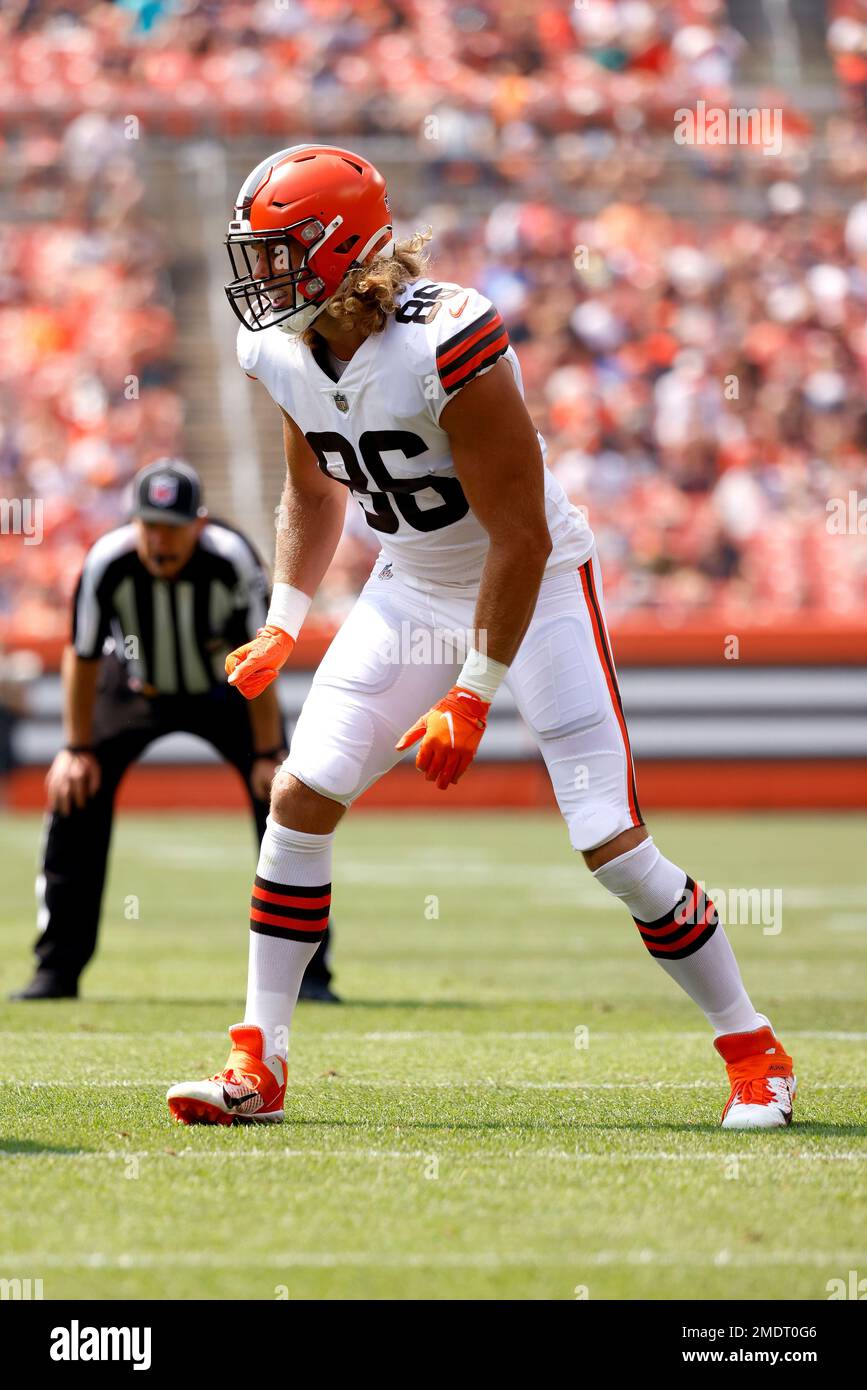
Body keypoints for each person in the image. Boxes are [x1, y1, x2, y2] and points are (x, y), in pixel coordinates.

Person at [166, 145, 794, 1129]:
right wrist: (287, 616)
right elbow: (313, 484)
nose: (262, 278)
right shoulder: (284, 347)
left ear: (336, 250)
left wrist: (471, 690)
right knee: (299, 794)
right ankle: (259, 1060)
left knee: (613, 845)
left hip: (534, 585)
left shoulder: (446, 337)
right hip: (412, 583)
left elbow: (523, 531)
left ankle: (755, 1049)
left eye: (280, 253)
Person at [12, 458, 337, 1002]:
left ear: (199, 525)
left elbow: (258, 662)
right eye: (149, 526)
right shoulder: (107, 561)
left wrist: (266, 752)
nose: (160, 541)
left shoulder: (231, 561)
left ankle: (309, 974)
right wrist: (76, 748)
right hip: (137, 689)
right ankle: (56, 969)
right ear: (132, 523)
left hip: (229, 690)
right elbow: (84, 655)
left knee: (287, 800)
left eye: (172, 527)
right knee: (75, 794)